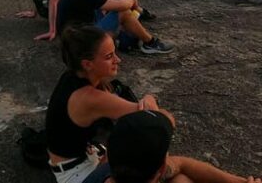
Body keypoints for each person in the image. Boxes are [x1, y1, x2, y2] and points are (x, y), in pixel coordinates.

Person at [46, 25, 173, 183]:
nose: (118, 60)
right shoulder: (90, 98)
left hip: (82, 158)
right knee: (161, 167)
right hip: (76, 173)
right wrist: (149, 98)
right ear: (87, 64)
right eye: (109, 56)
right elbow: (159, 120)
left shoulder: (74, 75)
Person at [106, 108, 262, 183]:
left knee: (181, 178)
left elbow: (182, 164)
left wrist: (236, 182)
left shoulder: (117, 168)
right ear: (161, 168)